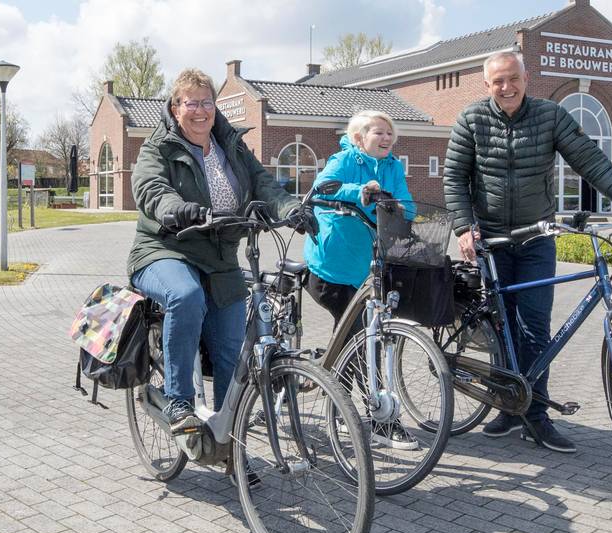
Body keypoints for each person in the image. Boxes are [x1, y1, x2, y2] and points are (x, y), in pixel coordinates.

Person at [444, 51, 612, 453]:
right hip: (491, 241)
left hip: (536, 240)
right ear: (486, 85)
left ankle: (536, 416)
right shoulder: (471, 120)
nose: (506, 87)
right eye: (498, 82)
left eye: (513, 79)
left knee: (534, 327)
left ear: (526, 79)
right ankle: (509, 407)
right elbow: (455, 177)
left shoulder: (550, 115)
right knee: (501, 327)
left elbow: (590, 160)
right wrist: (463, 228)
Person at [128, 68, 315, 437]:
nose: (201, 110)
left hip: (221, 258)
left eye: (207, 102)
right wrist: (175, 208)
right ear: (175, 107)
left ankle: (231, 448)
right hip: (165, 248)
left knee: (232, 352)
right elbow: (150, 186)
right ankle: (178, 400)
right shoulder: (158, 145)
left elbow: (262, 182)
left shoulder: (230, 144)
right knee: (186, 295)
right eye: (191, 103)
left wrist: (289, 209)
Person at [302, 110, 419, 449]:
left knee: (370, 338)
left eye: (389, 134)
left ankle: (360, 415)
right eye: (378, 133)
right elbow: (322, 188)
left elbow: (408, 207)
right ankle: (369, 418)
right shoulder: (344, 160)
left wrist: (392, 202)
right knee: (359, 337)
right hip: (331, 267)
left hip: (370, 268)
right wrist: (362, 192)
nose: (385, 139)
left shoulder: (394, 167)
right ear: (359, 138)